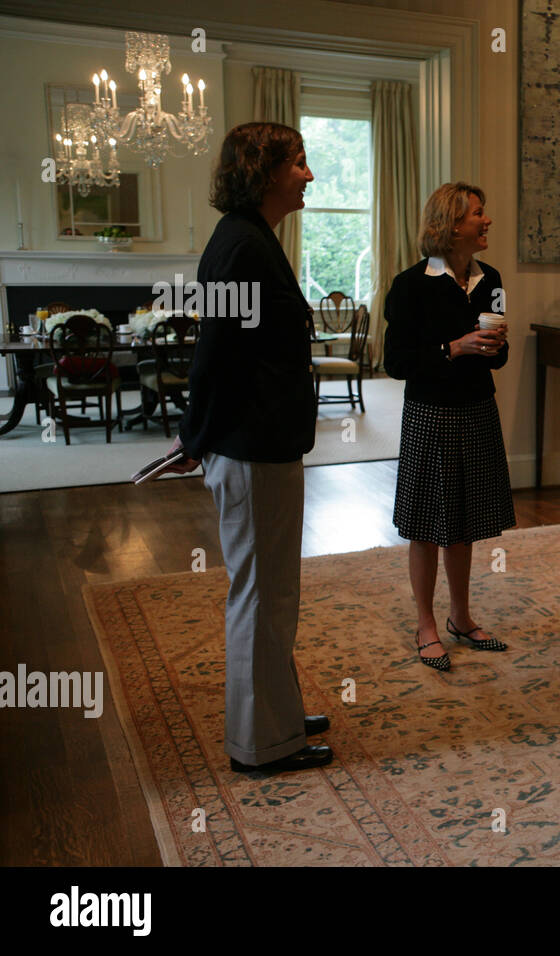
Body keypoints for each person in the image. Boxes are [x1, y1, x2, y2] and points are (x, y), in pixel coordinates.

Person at [167, 122, 332, 773]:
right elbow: (215, 357)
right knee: (261, 595)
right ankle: (259, 746)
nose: (308, 175)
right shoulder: (240, 245)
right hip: (250, 447)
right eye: (299, 162)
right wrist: (194, 436)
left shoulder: (253, 238)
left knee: (274, 594)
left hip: (265, 443)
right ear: (265, 171)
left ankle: (278, 716)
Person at [383, 182, 515, 671]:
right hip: (430, 412)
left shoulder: (492, 277)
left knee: (465, 524)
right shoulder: (411, 284)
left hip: (478, 408)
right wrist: (453, 348)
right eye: (479, 214)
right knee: (426, 525)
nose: (487, 221)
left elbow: (498, 359)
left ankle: (460, 617)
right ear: (452, 223)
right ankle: (426, 624)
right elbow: (395, 362)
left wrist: (494, 347)